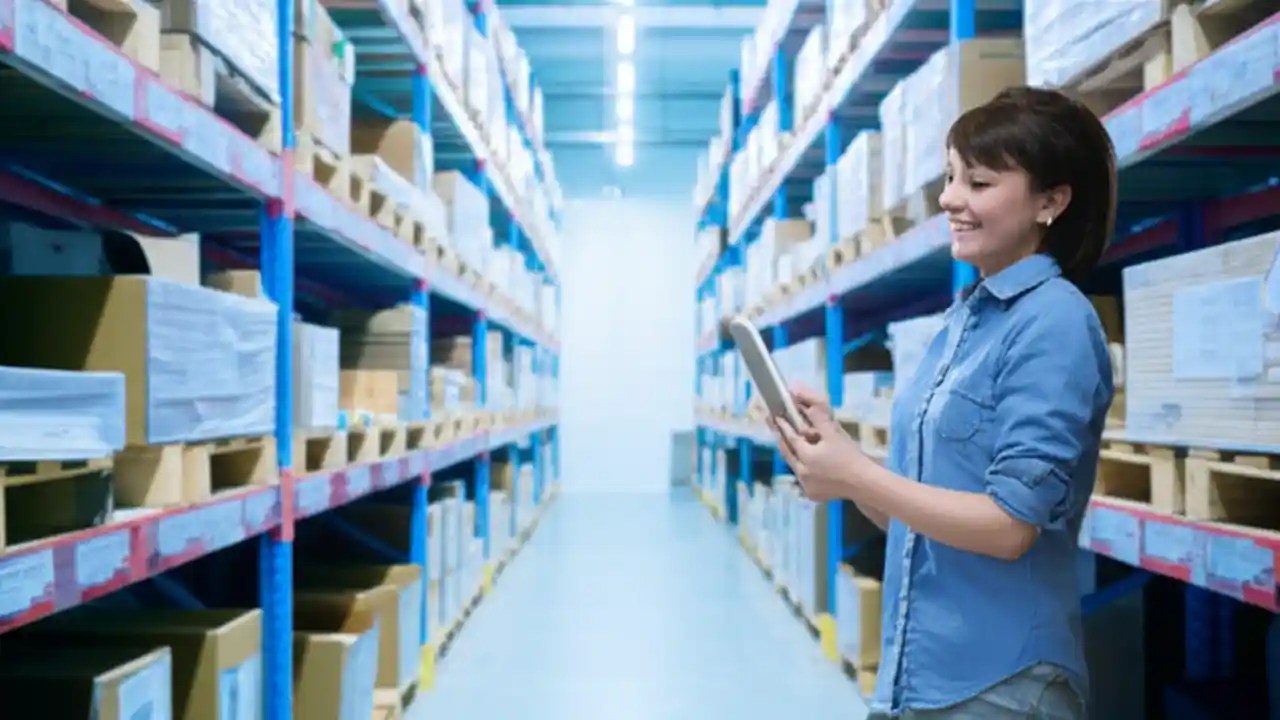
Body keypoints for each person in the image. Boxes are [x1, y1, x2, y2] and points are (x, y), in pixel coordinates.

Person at [769, 86, 1117, 719]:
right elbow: (919, 520)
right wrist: (845, 469)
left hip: (1002, 682)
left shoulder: (1054, 322)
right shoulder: (963, 323)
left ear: (1051, 201)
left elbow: (1010, 527)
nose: (950, 198)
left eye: (979, 182)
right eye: (952, 176)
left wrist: (857, 474)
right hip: (919, 675)